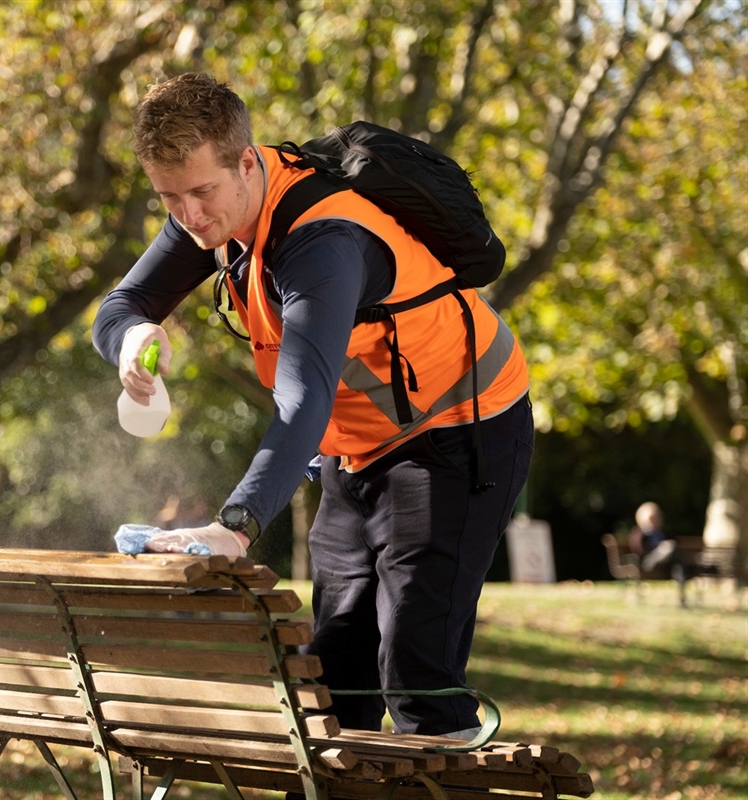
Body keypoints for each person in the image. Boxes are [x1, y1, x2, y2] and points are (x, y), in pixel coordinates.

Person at [92, 73, 532, 739]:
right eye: (169, 197)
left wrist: (235, 526)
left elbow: (303, 399)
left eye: (201, 193)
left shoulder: (323, 242)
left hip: (458, 434)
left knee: (415, 675)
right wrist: (130, 338)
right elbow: (120, 306)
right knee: (333, 683)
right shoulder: (210, 207)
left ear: (247, 161)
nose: (189, 216)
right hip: (357, 448)